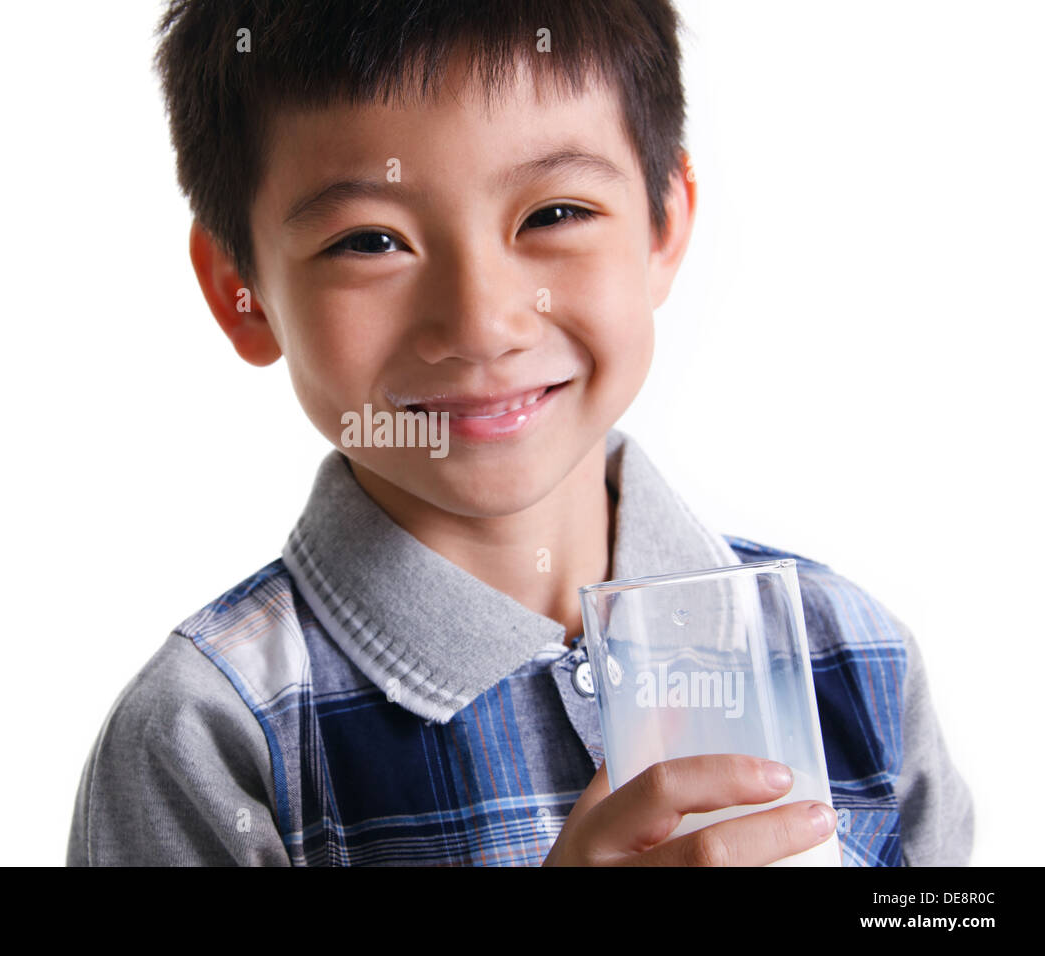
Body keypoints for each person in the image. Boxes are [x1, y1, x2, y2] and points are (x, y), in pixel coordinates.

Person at [66, 0, 973, 866]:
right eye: (370, 242)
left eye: (554, 214)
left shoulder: (848, 653)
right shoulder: (212, 738)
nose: (482, 323)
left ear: (665, 222)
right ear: (241, 289)